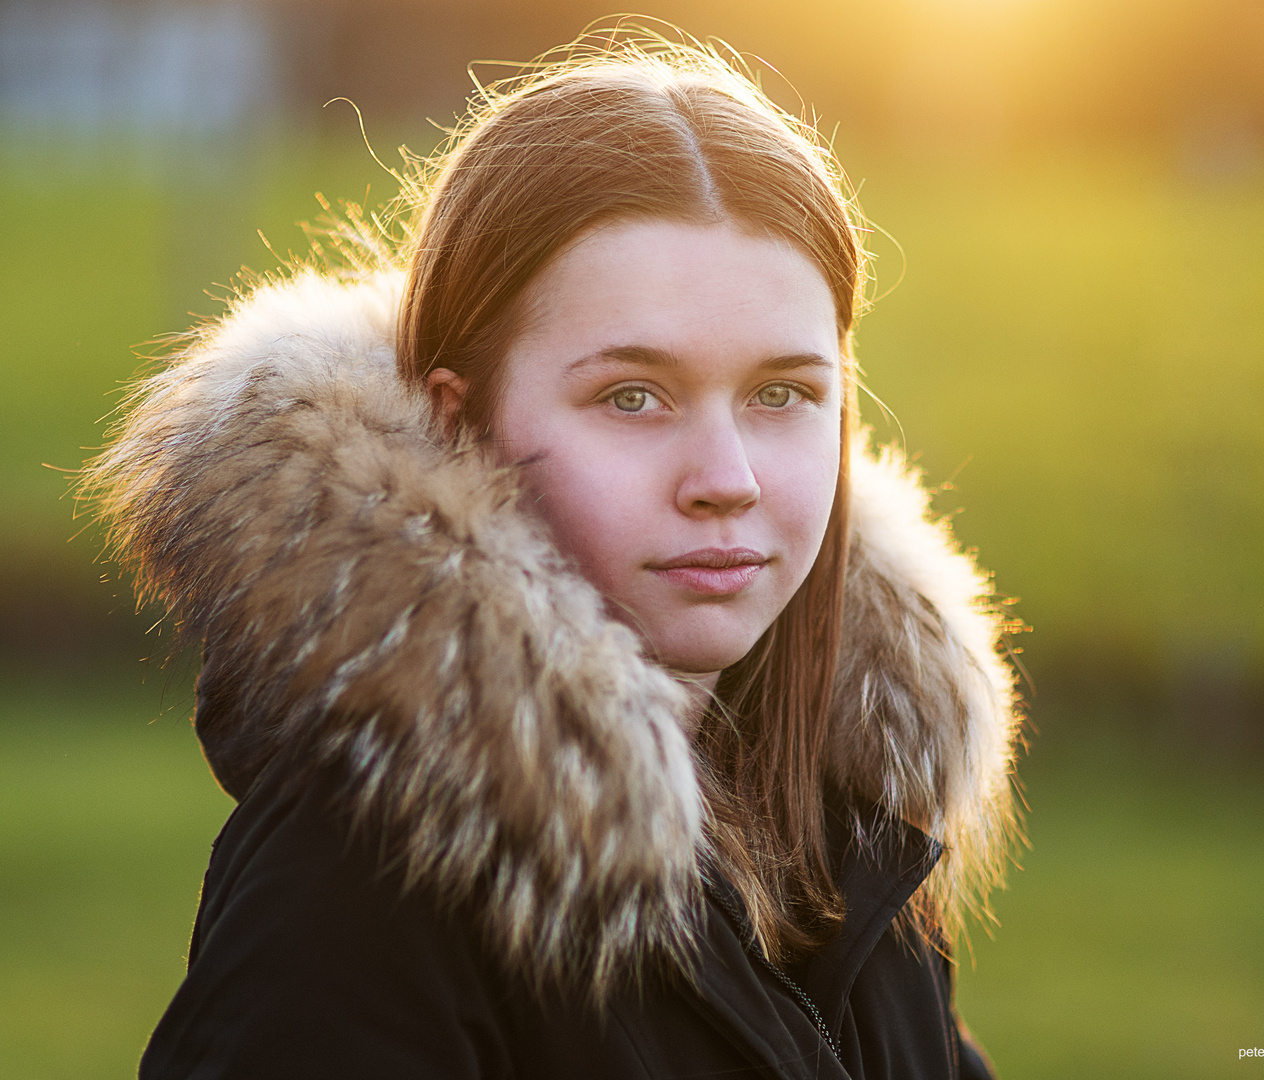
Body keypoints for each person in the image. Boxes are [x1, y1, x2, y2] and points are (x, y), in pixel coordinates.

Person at [83, 27, 1021, 1080]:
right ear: (459, 425)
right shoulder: (363, 881)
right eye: (632, 396)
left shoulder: (849, 823)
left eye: (782, 395)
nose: (728, 477)